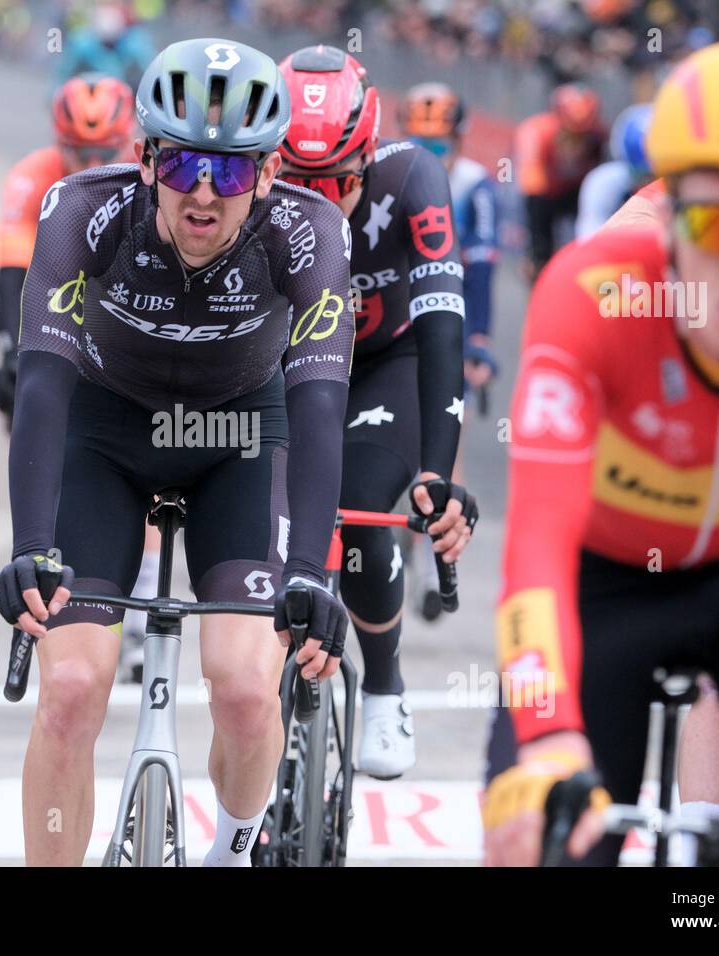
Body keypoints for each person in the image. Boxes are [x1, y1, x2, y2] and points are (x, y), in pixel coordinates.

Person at [0, 36, 413, 867]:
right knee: (72, 690)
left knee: (250, 691)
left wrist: (311, 576)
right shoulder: (82, 211)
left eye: (232, 171)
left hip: (241, 439)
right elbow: (42, 388)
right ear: (146, 161)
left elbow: (320, 403)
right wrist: (27, 546)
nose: (205, 195)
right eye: (185, 167)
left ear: (268, 175)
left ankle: (232, 851)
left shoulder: (310, 229)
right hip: (104, 436)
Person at [484, 41, 719, 866]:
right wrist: (547, 736)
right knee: (530, 825)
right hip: (605, 577)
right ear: (669, 211)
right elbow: (536, 546)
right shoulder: (593, 294)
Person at [276, 51, 477, 779]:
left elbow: (443, 329)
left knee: (358, 507)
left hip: (385, 367)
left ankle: (386, 680)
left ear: (369, 156)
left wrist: (434, 468)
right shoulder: (241, 183)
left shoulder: (414, 176)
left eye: (336, 182)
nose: (320, 204)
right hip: (287, 366)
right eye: (297, 185)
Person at [0, 72, 155, 681]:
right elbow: (11, 275)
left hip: (123, 323)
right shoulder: (33, 176)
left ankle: (134, 621)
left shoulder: (146, 180)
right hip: (59, 310)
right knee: (33, 407)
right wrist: (14, 352)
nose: (88, 162)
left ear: (127, 141)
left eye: (102, 152)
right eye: (76, 152)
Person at [397, 81, 497, 623]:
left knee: (443, 441)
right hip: (394, 317)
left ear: (459, 142)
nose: (431, 156)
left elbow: (481, 265)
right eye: (420, 143)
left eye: (439, 146)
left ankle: (437, 561)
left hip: (447, 316)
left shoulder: (477, 184)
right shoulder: (391, 173)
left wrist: (478, 340)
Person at [513, 83, 605, 278]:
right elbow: (533, 192)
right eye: (570, 135)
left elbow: (599, 182)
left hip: (575, 187)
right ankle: (538, 267)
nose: (575, 143)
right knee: (540, 231)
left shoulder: (598, 136)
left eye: (581, 136)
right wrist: (538, 250)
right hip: (545, 190)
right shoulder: (537, 133)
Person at [574, 102, 652, 239]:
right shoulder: (603, 182)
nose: (647, 183)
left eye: (655, 176)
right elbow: (589, 239)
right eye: (642, 175)